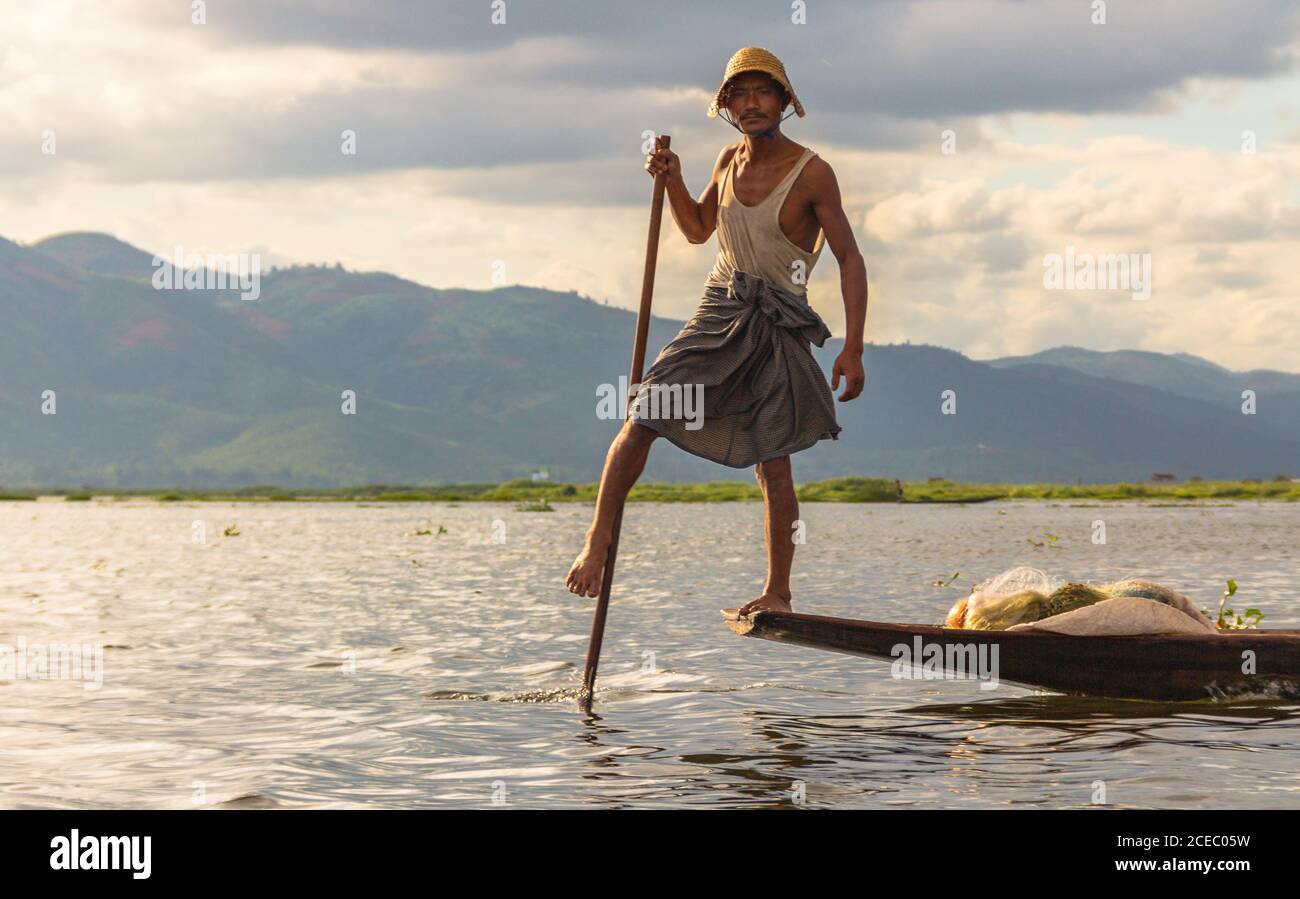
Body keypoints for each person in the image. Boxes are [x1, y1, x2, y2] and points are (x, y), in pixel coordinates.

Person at [565, 47, 869, 616]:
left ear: (784, 101)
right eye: (739, 95)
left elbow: (850, 258)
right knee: (643, 416)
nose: (751, 103)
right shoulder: (728, 159)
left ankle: (778, 591)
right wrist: (673, 180)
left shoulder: (813, 173)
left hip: (778, 321)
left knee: (773, 462)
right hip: (717, 311)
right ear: (727, 107)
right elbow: (697, 229)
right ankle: (597, 540)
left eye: (762, 92)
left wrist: (852, 347)